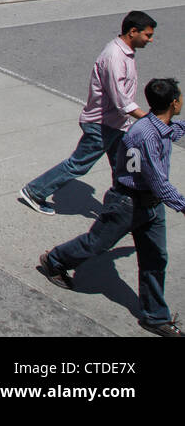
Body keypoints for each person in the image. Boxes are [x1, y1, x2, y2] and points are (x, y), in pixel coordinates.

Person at [38, 78, 184, 337]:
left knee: (155, 258)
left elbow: (175, 130)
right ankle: (54, 260)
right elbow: (160, 184)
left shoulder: (159, 124)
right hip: (127, 204)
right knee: (95, 244)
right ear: (174, 103)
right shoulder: (145, 136)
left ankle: (155, 316)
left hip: (151, 206)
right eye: (180, 97)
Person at [21, 11, 157, 215]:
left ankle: (121, 210)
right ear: (133, 31)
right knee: (78, 165)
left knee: (125, 167)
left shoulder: (124, 52)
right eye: (147, 35)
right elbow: (121, 101)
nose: (151, 40)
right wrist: (151, 120)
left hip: (117, 124)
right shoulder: (114, 57)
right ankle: (34, 191)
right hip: (102, 124)